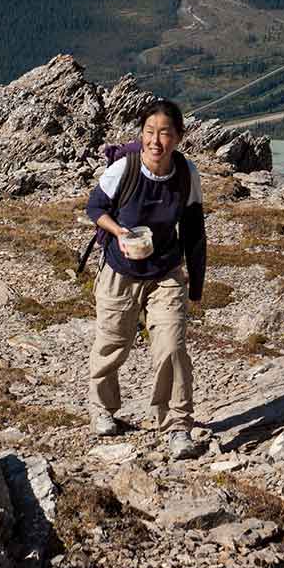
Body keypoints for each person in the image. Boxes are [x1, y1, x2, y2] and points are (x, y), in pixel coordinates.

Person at [86, 98, 206, 459]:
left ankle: (177, 426)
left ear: (179, 137)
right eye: (149, 132)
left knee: (171, 346)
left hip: (166, 272)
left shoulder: (186, 174)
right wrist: (119, 232)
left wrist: (196, 283)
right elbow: (95, 207)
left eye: (165, 133)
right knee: (112, 344)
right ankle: (102, 409)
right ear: (141, 134)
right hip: (120, 271)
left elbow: (194, 229)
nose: (156, 141)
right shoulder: (125, 168)